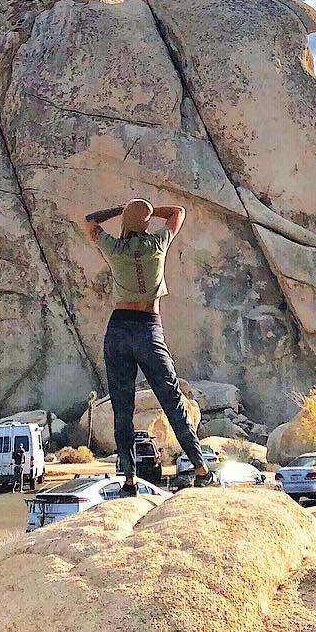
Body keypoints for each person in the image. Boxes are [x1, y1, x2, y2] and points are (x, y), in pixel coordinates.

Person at [84, 198, 210, 497]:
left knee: (122, 408)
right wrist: (149, 211)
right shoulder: (158, 243)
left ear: (125, 222)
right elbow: (178, 212)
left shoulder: (114, 248)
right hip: (148, 329)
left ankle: (129, 480)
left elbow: (90, 221)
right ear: (147, 223)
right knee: (172, 400)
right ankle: (201, 469)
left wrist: (121, 209)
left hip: (118, 329)